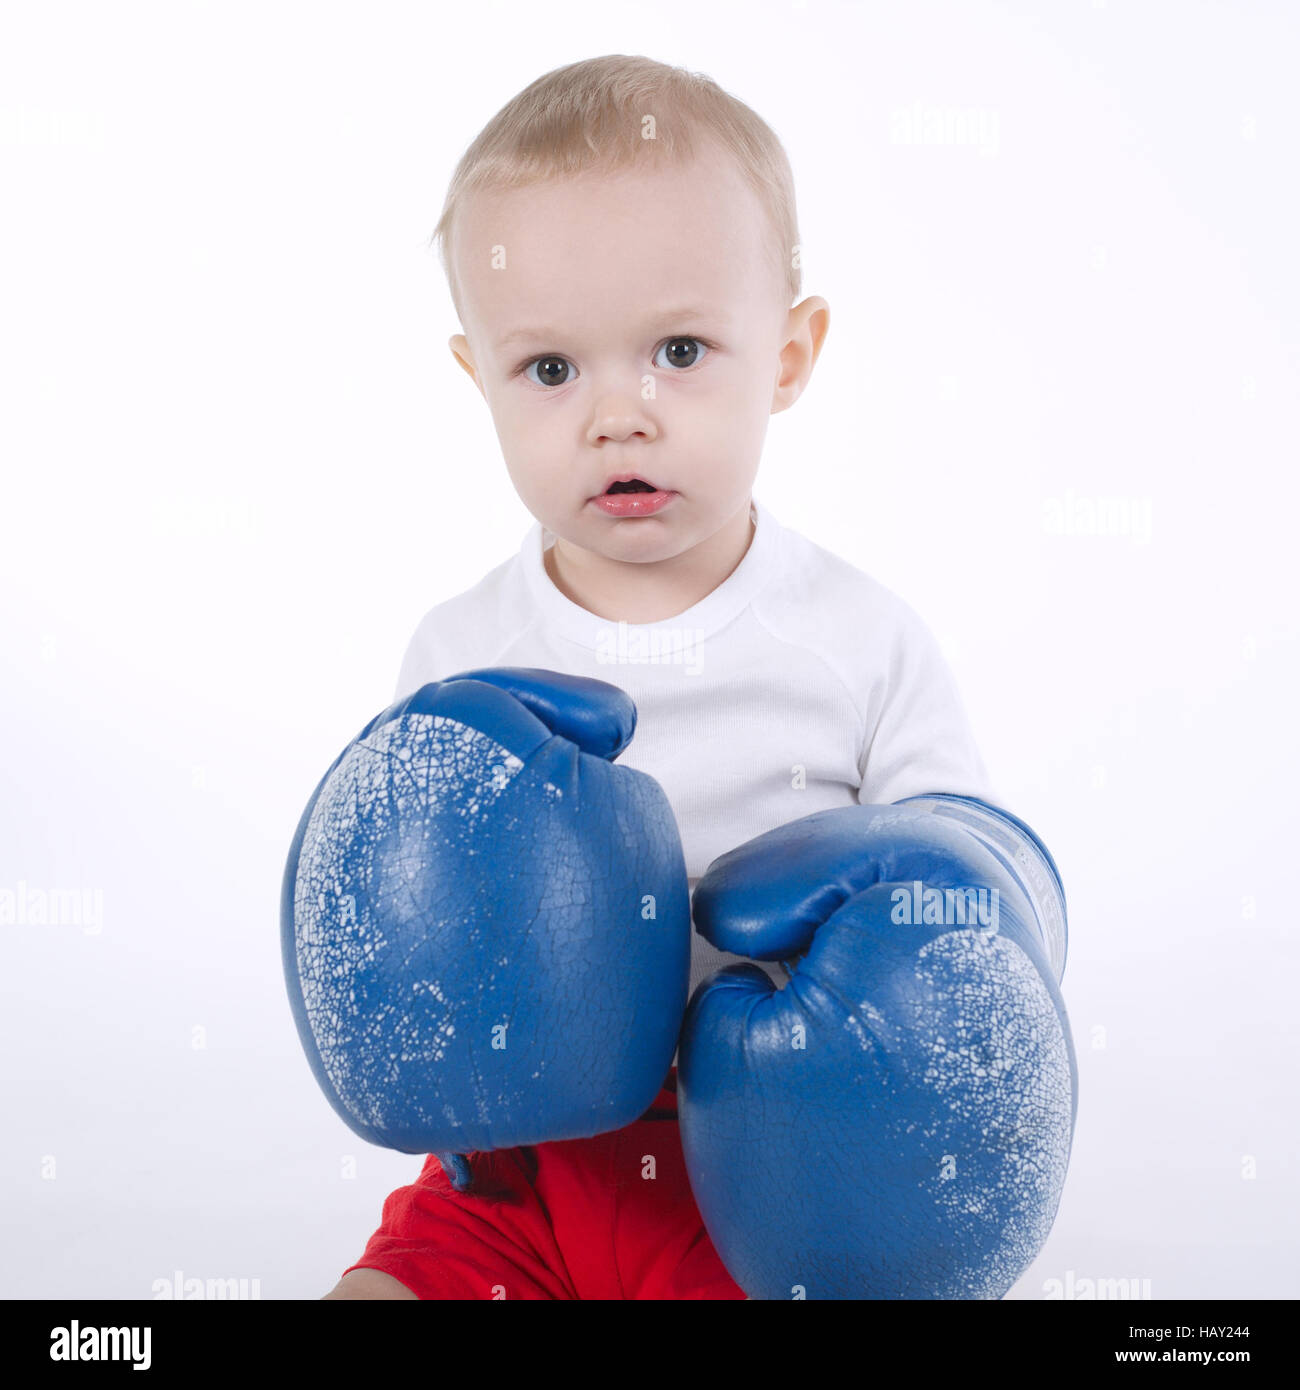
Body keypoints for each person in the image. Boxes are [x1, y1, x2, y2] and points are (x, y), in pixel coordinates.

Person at [317, 54, 1067, 1300]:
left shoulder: (860, 639)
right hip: (518, 1178)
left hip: (771, 1183)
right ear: (478, 380)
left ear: (788, 354)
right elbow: (400, 935)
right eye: (550, 370)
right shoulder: (457, 659)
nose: (619, 412)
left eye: (678, 348)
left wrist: (936, 893)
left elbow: (989, 905)